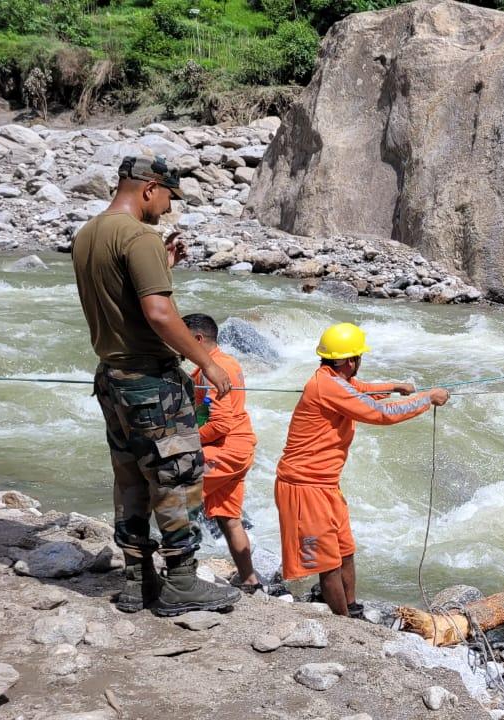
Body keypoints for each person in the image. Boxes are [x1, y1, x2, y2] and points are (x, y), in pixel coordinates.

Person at [73, 155, 241, 616]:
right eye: (168, 196)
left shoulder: (88, 234)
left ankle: (136, 581)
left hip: (112, 378)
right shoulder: (138, 235)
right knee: (176, 476)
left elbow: (120, 302)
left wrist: (162, 266)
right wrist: (207, 361)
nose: (167, 208)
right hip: (151, 381)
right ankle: (182, 582)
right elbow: (160, 315)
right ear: (149, 187)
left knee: (130, 477)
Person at [274, 322, 450, 617]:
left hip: (325, 485)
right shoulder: (327, 385)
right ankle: (344, 624)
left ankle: (351, 608)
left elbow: (361, 390)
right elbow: (381, 413)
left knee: (345, 550)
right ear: (352, 360)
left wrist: (394, 386)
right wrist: (427, 398)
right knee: (327, 563)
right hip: (304, 486)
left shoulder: (333, 379)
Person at [182, 313, 264, 592]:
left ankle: (180, 577)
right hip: (241, 448)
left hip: (225, 450)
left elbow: (219, 423)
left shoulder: (210, 370)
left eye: (181, 340)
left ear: (197, 339)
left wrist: (185, 440)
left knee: (177, 501)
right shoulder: (228, 362)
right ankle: (250, 580)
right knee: (229, 518)